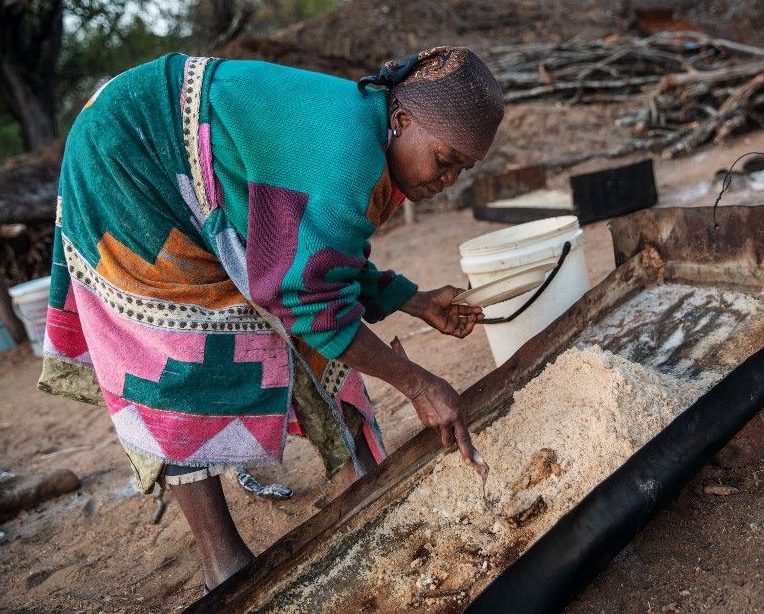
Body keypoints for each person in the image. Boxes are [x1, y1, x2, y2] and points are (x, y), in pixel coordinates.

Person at [37, 46, 504, 591]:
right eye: (445, 159)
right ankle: (223, 563)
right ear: (400, 119)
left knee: (301, 316)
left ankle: (363, 482)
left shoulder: (372, 142)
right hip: (128, 152)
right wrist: (419, 384)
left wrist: (416, 301)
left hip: (173, 149)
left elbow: (322, 262)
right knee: (182, 355)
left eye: (463, 169)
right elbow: (312, 303)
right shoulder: (349, 152)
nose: (449, 178)